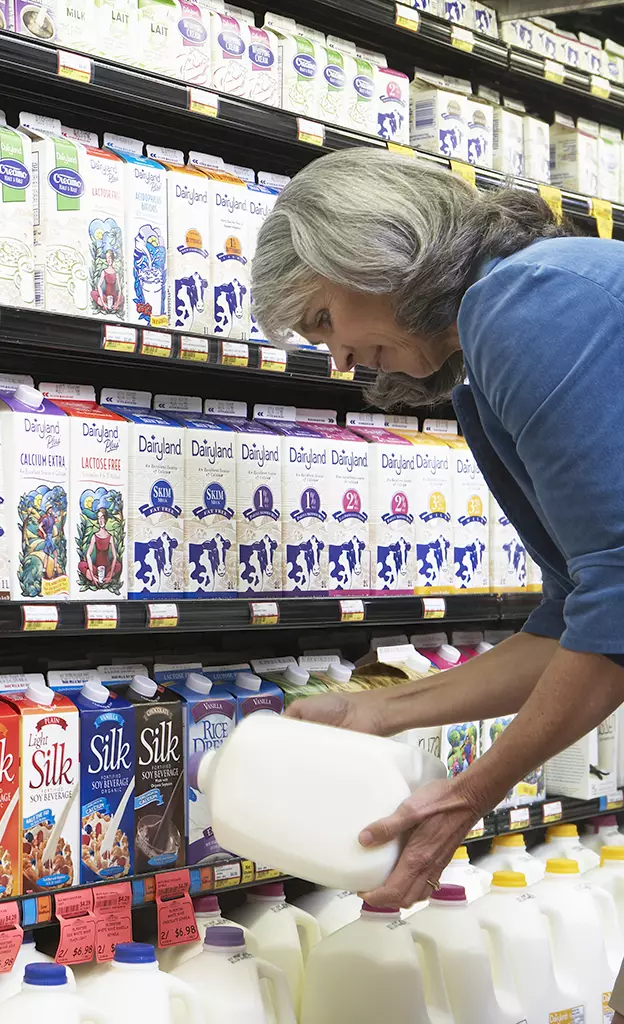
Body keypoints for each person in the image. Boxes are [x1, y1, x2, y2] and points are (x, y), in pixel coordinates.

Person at [251, 147, 624, 1017]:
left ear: (372, 253)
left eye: (321, 319)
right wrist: (383, 710)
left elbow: (620, 600)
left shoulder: (529, 303)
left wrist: (469, 791)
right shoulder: (484, 359)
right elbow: (576, 616)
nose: (339, 359)